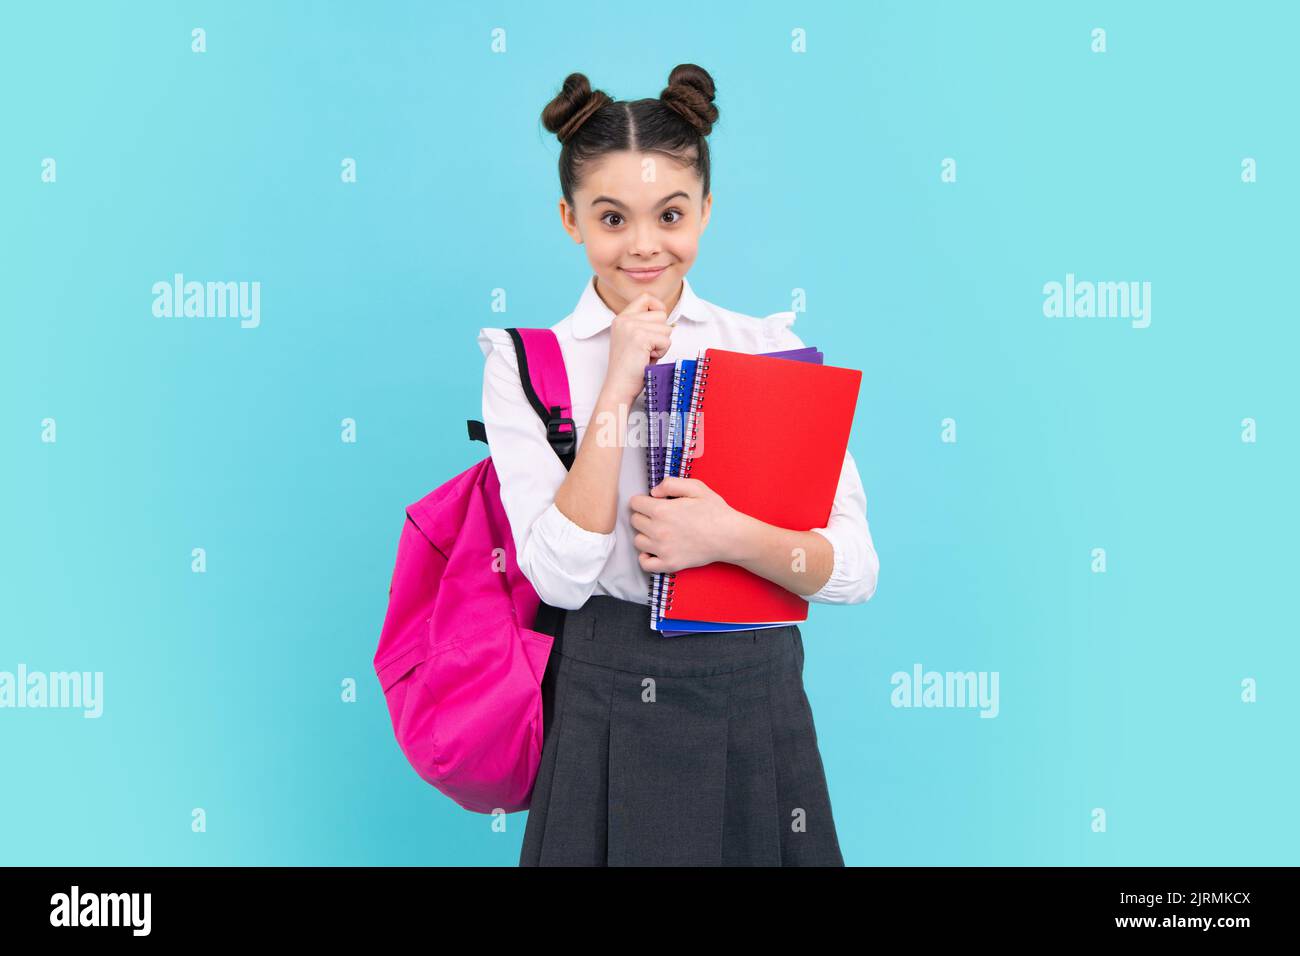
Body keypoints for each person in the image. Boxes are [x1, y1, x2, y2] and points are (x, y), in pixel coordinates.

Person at [478, 64, 880, 866]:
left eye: (669, 214)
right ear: (570, 221)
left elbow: (855, 571)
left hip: (755, 690)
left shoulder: (766, 350)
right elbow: (558, 580)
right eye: (611, 218)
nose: (644, 245)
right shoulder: (526, 362)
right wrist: (619, 382)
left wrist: (729, 536)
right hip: (603, 692)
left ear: (704, 213)